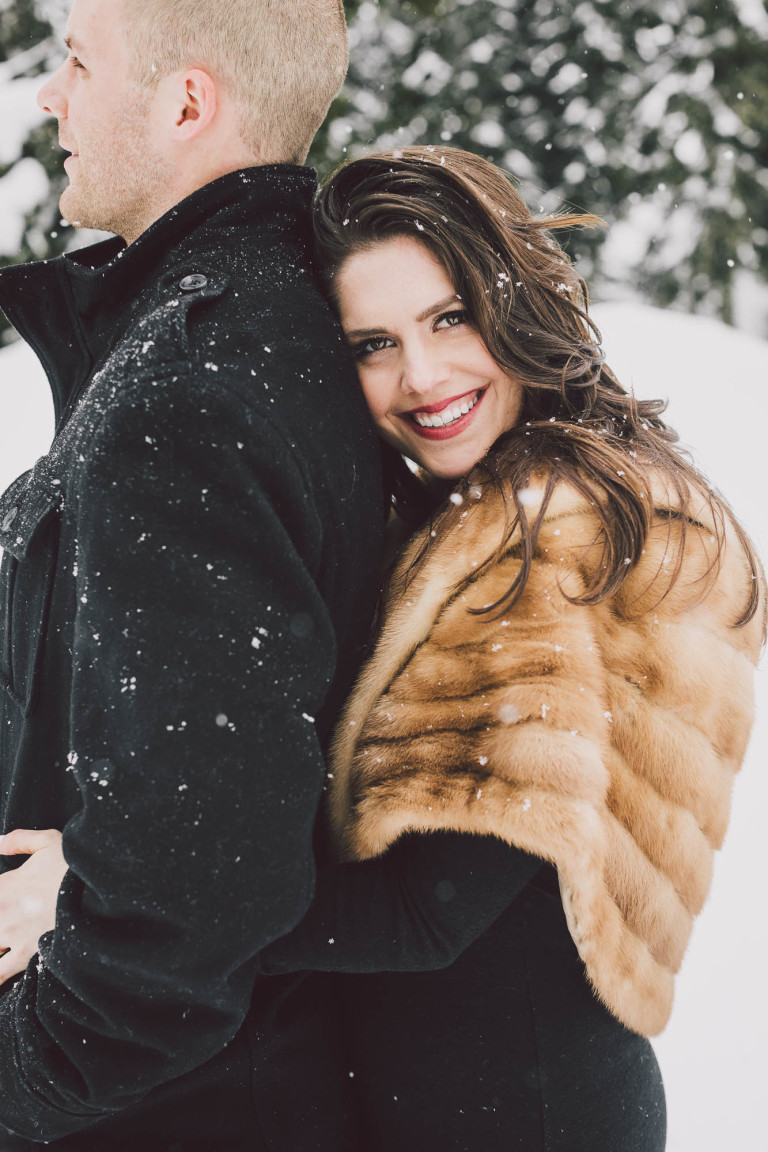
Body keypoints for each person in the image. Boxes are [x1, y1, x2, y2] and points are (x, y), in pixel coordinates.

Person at [0, 80, 762, 1152]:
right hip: (449, 1084)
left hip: (513, 1104)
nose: (424, 375)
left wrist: (117, 903)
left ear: (514, 303)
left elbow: (426, 909)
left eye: (450, 317)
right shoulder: (493, 506)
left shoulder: (566, 536)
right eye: (372, 343)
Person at [0, 0, 389, 1147]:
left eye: (77, 62)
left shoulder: (193, 384)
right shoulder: (265, 322)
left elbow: (188, 907)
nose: (48, 95)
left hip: (169, 1115)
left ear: (185, 102)